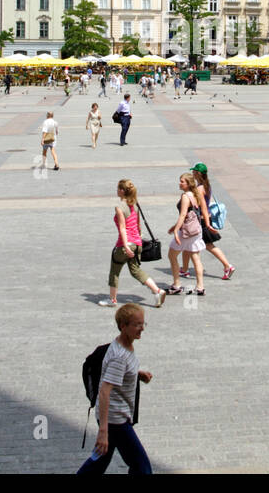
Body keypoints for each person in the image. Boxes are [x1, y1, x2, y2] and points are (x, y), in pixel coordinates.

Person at [77, 303, 154, 474]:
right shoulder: (120, 357)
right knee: (142, 467)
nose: (142, 328)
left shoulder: (122, 344)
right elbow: (105, 390)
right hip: (115, 419)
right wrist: (103, 431)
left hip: (113, 417)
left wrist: (136, 374)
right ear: (123, 326)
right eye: (137, 325)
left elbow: (115, 372)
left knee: (99, 460)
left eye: (143, 324)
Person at [100, 180, 167, 307]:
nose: (116, 190)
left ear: (122, 191)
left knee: (114, 271)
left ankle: (112, 299)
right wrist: (137, 239)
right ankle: (157, 291)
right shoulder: (135, 205)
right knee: (135, 270)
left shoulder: (120, 207)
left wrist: (125, 245)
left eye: (118, 188)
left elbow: (122, 228)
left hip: (125, 244)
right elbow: (138, 225)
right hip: (137, 243)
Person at [183, 163, 234, 280]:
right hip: (204, 219)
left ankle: (227, 266)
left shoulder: (200, 189)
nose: (192, 173)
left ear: (198, 174)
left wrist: (206, 224)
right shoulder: (206, 185)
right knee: (188, 242)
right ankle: (184, 269)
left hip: (201, 220)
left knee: (208, 245)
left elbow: (204, 208)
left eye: (194, 172)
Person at [165, 172, 205, 296]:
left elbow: (183, 215)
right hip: (196, 230)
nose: (180, 183)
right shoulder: (195, 194)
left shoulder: (185, 196)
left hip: (186, 232)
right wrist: (175, 226)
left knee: (172, 255)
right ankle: (200, 287)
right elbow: (191, 213)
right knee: (196, 258)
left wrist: (176, 231)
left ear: (188, 184)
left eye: (182, 181)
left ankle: (176, 284)